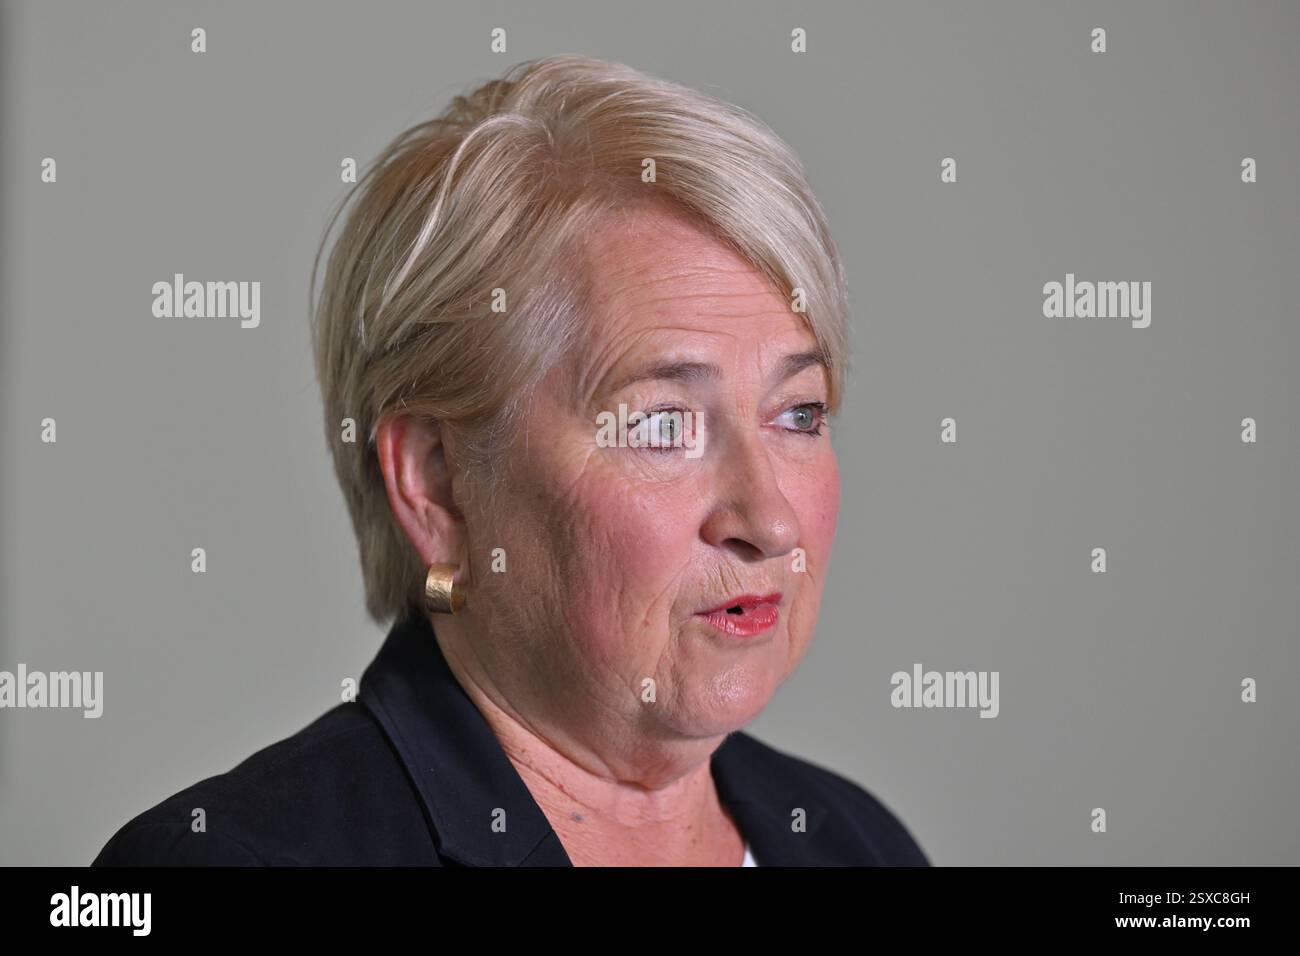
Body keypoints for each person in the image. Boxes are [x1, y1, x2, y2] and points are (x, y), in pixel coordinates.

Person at [92, 53, 928, 867]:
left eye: (798, 413)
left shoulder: (858, 843)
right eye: (665, 425)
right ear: (437, 484)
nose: (770, 519)